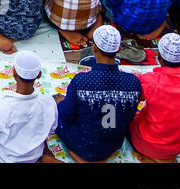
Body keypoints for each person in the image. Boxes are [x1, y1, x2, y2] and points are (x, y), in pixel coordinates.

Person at [56, 25, 143, 162]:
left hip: (81, 145)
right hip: (112, 145)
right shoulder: (133, 82)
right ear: (119, 49)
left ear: (94, 49)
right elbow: (128, 117)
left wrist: (60, 103)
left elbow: (66, 116)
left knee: (56, 111)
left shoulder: (81, 81)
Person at [129, 33, 180, 162]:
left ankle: (151, 157)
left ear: (159, 57)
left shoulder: (149, 80)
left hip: (146, 143)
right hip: (177, 147)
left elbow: (132, 101)